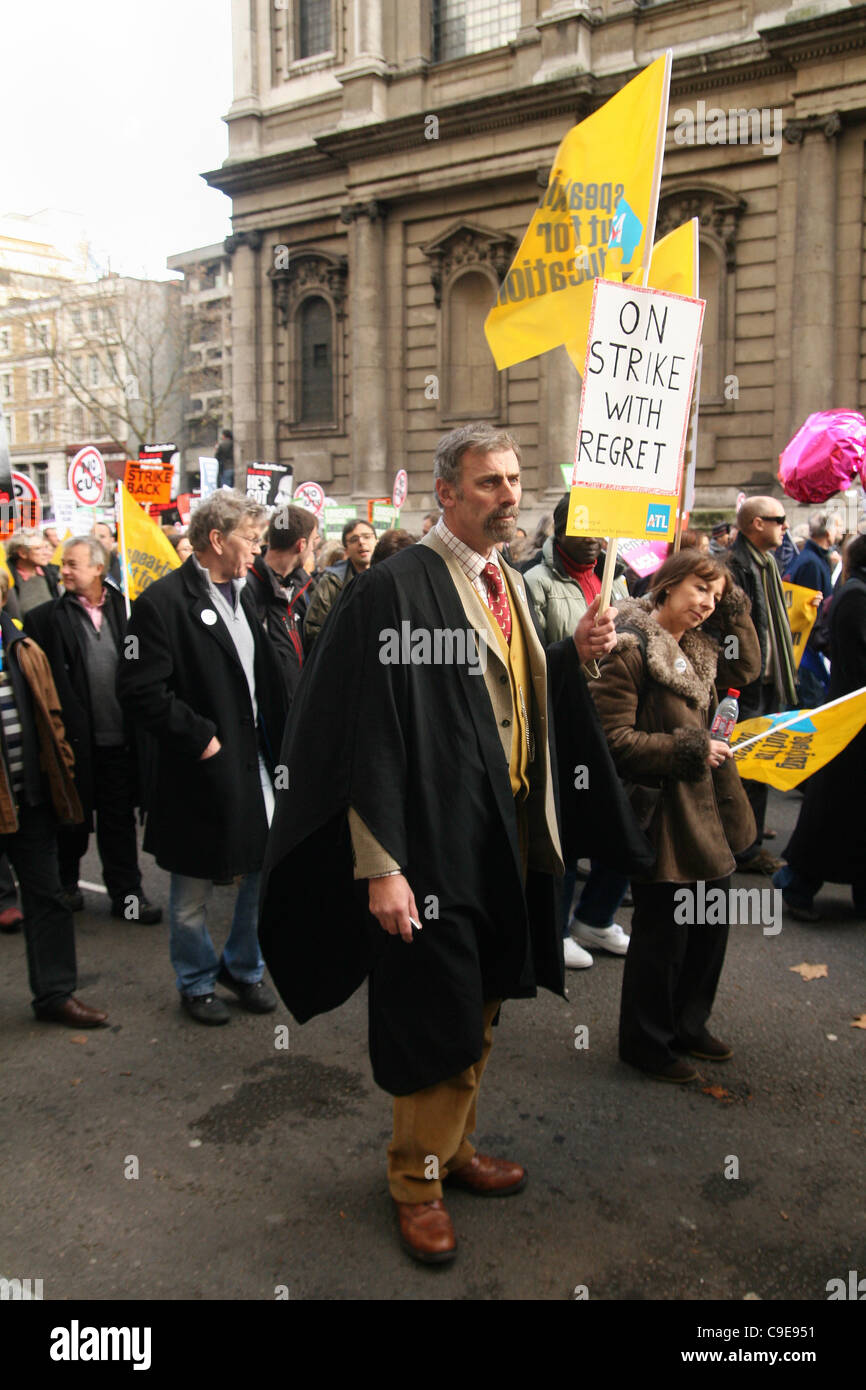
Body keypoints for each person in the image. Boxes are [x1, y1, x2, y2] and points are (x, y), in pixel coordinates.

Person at [259, 423, 651, 1264]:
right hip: (429, 845)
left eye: (514, 479)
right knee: (435, 1012)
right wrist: (382, 867)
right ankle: (416, 1181)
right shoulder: (391, 591)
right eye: (489, 482)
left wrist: (567, 655)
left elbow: (497, 684)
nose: (510, 495)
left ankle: (455, 1146)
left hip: (500, 832)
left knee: (485, 996)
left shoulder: (502, 576)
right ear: (445, 493)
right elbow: (363, 738)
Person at [116, 493, 288, 1026]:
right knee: (192, 887)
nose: (257, 550)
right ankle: (195, 981)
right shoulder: (162, 602)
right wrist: (202, 738)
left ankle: (243, 967)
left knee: (262, 871)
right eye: (251, 539)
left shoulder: (249, 592)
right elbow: (139, 688)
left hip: (256, 762)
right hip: (201, 770)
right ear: (217, 539)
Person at [590, 551, 761, 1082]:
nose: (707, 603)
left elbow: (747, 669)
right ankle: (647, 1043)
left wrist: (734, 607)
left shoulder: (702, 643)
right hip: (663, 811)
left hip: (710, 808)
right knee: (663, 937)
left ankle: (689, 1023)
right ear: (666, 586)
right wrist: (688, 749)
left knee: (709, 926)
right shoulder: (629, 645)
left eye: (716, 596)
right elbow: (613, 740)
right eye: (699, 589)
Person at [24, 537, 161, 924]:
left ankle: (128, 899)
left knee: (119, 826)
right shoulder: (44, 619)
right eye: (63, 564)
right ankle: (65, 887)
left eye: (73, 564)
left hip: (120, 742)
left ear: (99, 568)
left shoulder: (129, 611)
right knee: (70, 821)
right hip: (72, 745)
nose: (64, 571)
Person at [525, 492, 631, 968]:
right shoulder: (534, 582)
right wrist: (577, 649)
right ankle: (558, 928)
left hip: (616, 719)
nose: (592, 540)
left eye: (599, 530)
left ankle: (596, 917)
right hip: (565, 720)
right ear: (560, 528)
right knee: (564, 828)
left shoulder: (617, 578)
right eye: (582, 528)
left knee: (618, 819)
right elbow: (531, 658)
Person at [0, 597, 108, 1027]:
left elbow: (52, 713)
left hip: (30, 798)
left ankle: (55, 995)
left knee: (47, 897)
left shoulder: (21, 645)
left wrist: (60, 764)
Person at [773, 533, 866, 920]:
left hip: (853, 714)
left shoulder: (854, 590)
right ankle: (797, 885)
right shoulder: (856, 594)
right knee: (835, 812)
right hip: (852, 719)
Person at [724, 496, 798, 874]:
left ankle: (749, 838)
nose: (785, 526)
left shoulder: (767, 564)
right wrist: (738, 676)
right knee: (743, 769)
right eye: (779, 519)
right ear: (756, 523)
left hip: (768, 684)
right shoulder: (734, 566)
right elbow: (730, 633)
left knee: (761, 765)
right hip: (746, 686)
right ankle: (743, 848)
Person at [242, 505, 318, 703]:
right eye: (313, 541)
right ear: (301, 545)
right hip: (264, 706)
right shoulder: (245, 587)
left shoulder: (305, 588)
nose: (313, 549)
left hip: (298, 704)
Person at [303, 517, 376, 650]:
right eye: (354, 539)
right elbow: (314, 629)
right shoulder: (331, 582)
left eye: (367, 537)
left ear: (376, 541)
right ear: (346, 550)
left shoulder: (388, 578)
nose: (361, 542)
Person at [6, 530, 61, 616]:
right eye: (38, 548)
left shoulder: (51, 574)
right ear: (22, 553)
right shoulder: (9, 578)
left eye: (46, 547)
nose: (46, 553)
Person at [93, 521, 123, 588]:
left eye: (102, 536)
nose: (97, 540)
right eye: (93, 536)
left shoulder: (122, 568)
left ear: (112, 540)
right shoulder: (83, 566)